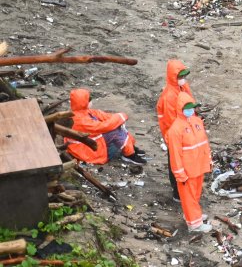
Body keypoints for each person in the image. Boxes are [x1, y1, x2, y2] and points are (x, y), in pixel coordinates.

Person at [65, 88, 147, 165]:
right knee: (115, 131)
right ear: (83, 103)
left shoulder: (82, 112)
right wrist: (119, 117)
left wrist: (118, 118)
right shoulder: (79, 119)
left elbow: (104, 116)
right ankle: (129, 155)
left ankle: (131, 148)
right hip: (85, 151)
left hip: (88, 143)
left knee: (116, 125)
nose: (91, 101)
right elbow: (102, 127)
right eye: (89, 99)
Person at [166, 98, 212, 232]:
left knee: (195, 194)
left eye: (192, 107)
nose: (190, 110)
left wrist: (208, 160)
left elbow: (204, 143)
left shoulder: (196, 121)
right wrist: (179, 173)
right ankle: (194, 224)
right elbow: (175, 154)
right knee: (188, 197)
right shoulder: (175, 129)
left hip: (199, 166)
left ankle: (194, 215)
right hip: (187, 170)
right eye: (187, 108)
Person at [156, 59, 195, 201]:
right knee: (176, 163)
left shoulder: (183, 87)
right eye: (180, 76)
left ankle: (184, 188)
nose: (183, 79)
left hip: (185, 131)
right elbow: (170, 121)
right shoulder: (168, 97)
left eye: (184, 76)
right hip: (174, 135)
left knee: (185, 162)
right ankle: (177, 193)